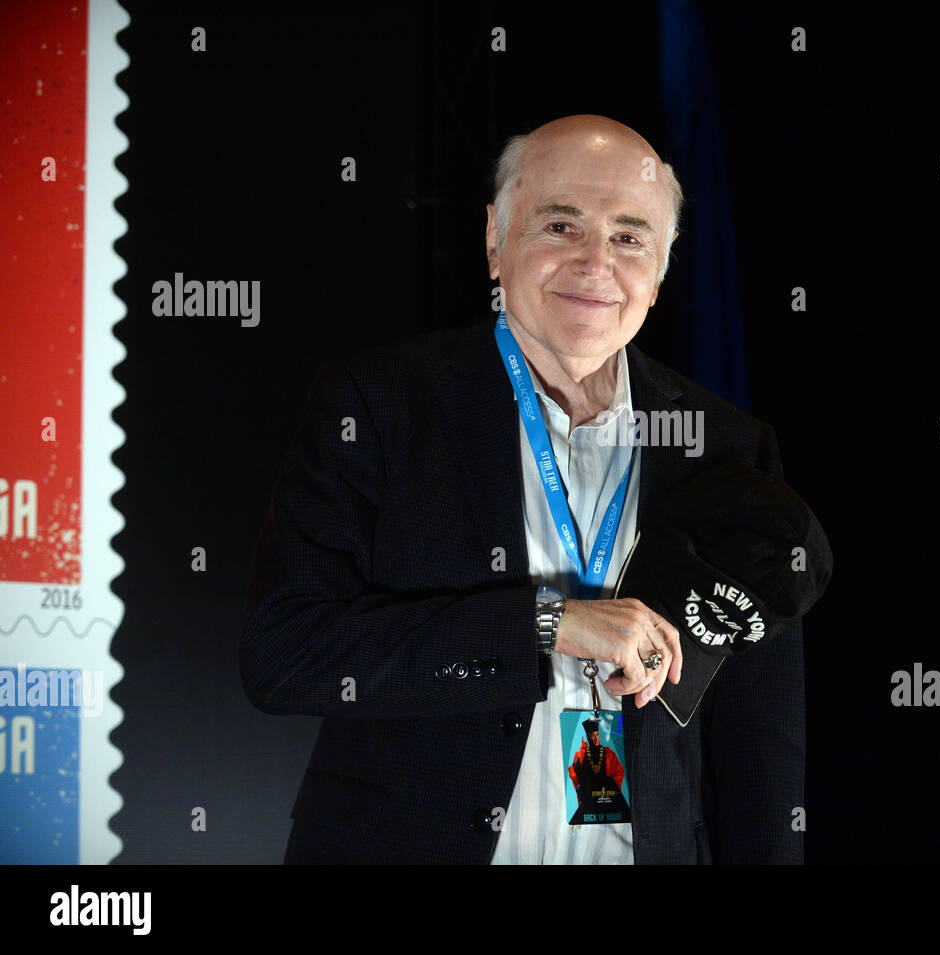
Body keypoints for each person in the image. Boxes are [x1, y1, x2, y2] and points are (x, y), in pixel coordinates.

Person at [240, 114, 805, 864]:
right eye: (562, 224)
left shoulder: (727, 446)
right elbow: (287, 654)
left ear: (663, 267)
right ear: (493, 240)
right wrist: (545, 626)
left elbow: (759, 739)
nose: (596, 262)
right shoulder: (377, 404)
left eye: (630, 236)